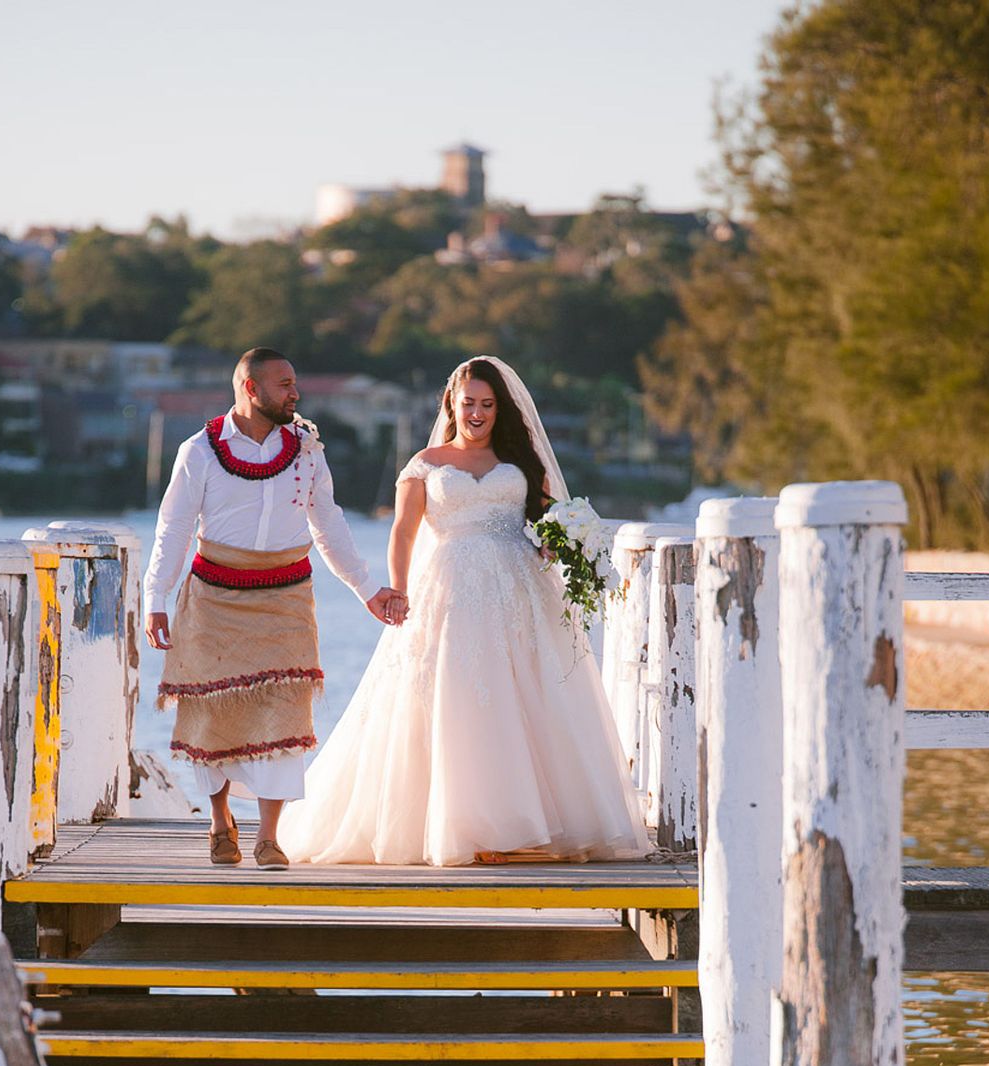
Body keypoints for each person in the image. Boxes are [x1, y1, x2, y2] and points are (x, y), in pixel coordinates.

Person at [278, 356, 649, 866]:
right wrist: (398, 589)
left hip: (518, 590)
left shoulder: (520, 462)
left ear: (500, 409)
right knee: (456, 698)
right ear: (451, 404)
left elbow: (547, 520)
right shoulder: (425, 463)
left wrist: (557, 543)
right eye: (469, 403)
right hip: (448, 590)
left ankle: (526, 825)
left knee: (525, 698)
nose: (477, 413)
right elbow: (403, 532)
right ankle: (463, 824)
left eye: (487, 405)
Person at [143, 347, 406, 867]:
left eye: (294, 383)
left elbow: (328, 524)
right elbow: (173, 528)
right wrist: (155, 598)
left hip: (286, 596)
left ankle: (268, 836)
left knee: (285, 710)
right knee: (211, 710)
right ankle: (220, 822)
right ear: (251, 388)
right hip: (214, 596)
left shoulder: (307, 449)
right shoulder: (199, 451)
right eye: (284, 384)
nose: (295, 393)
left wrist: (367, 588)